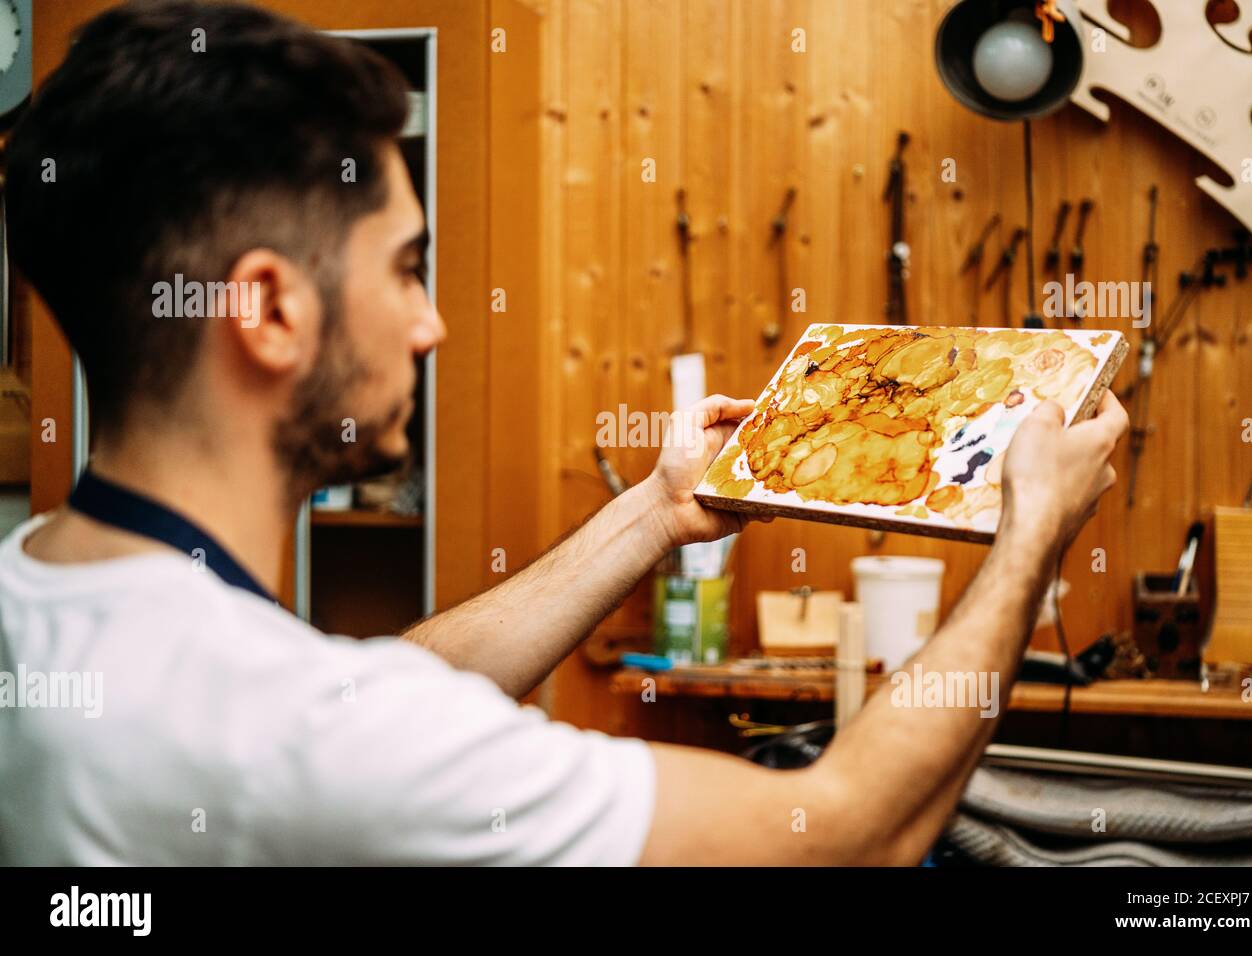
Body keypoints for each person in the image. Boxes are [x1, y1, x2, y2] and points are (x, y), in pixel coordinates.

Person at [0, 0, 1127, 865]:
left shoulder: (46, 588)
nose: (434, 324)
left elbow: (369, 687)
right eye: (405, 269)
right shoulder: (289, 733)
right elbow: (846, 832)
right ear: (273, 311)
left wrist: (653, 513)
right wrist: (1029, 533)